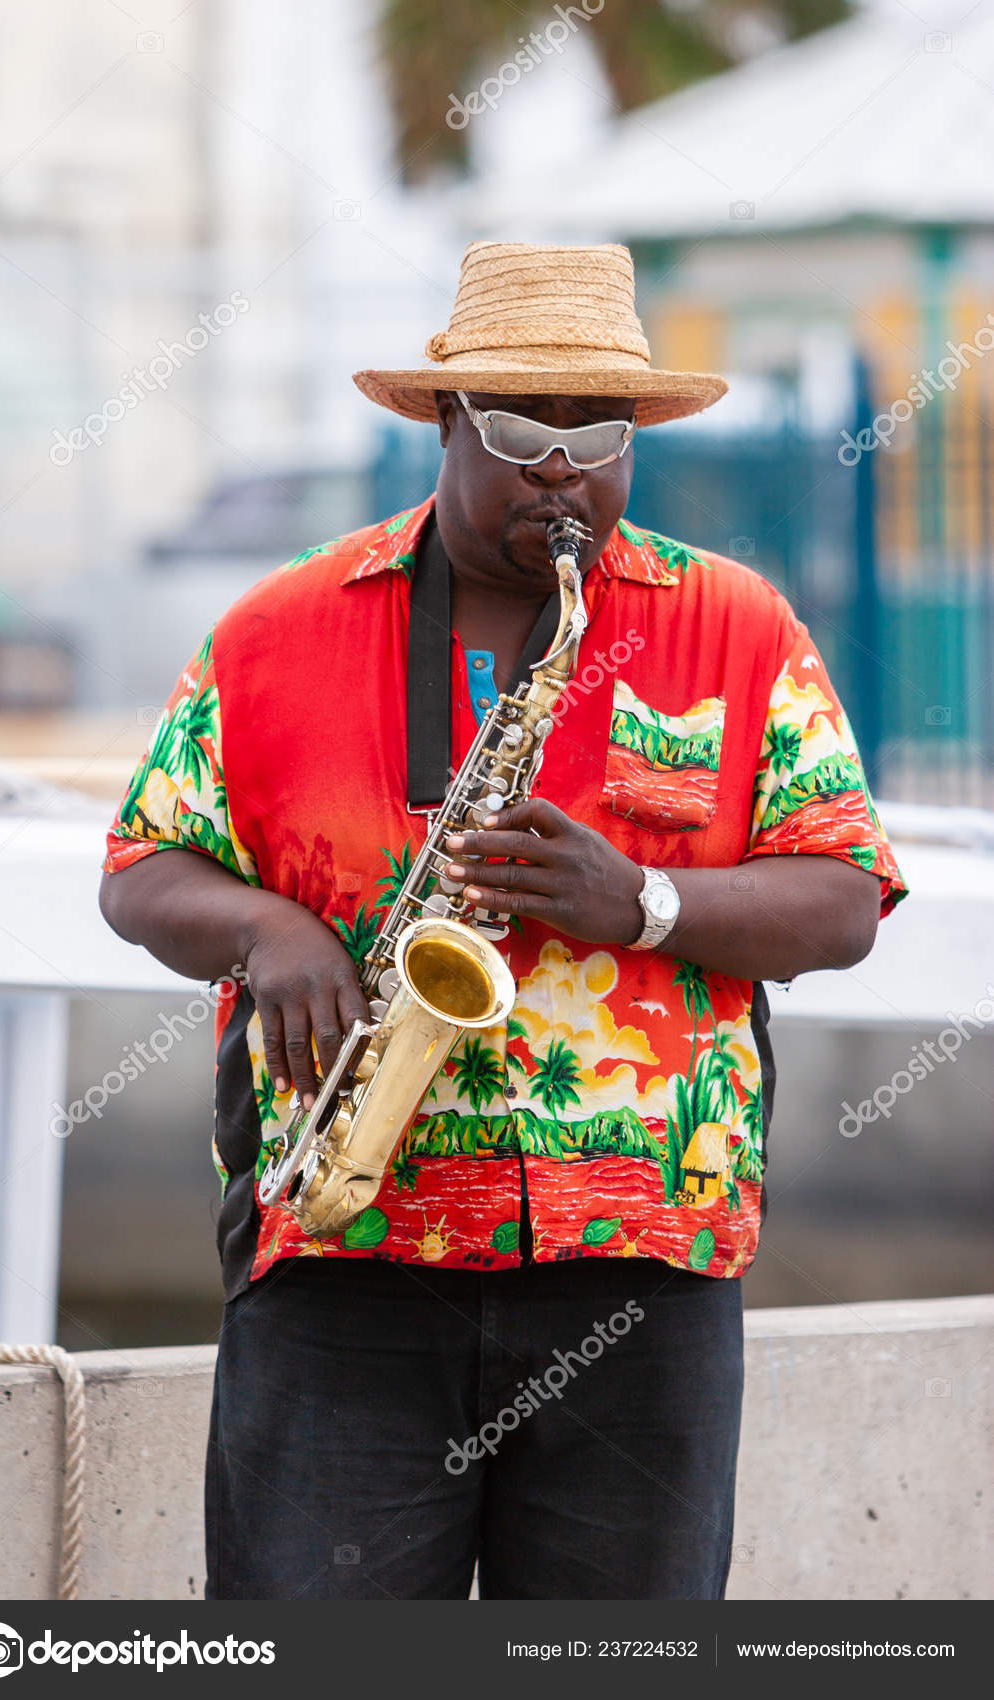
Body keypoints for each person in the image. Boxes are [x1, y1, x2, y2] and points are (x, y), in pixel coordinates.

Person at [99, 240, 907, 1601]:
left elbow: (842, 900)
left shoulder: (738, 627)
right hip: (344, 1257)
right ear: (444, 424)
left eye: (599, 434)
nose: (562, 471)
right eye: (523, 430)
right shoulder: (275, 630)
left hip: (643, 1270)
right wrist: (272, 934)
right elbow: (142, 865)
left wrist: (643, 903)